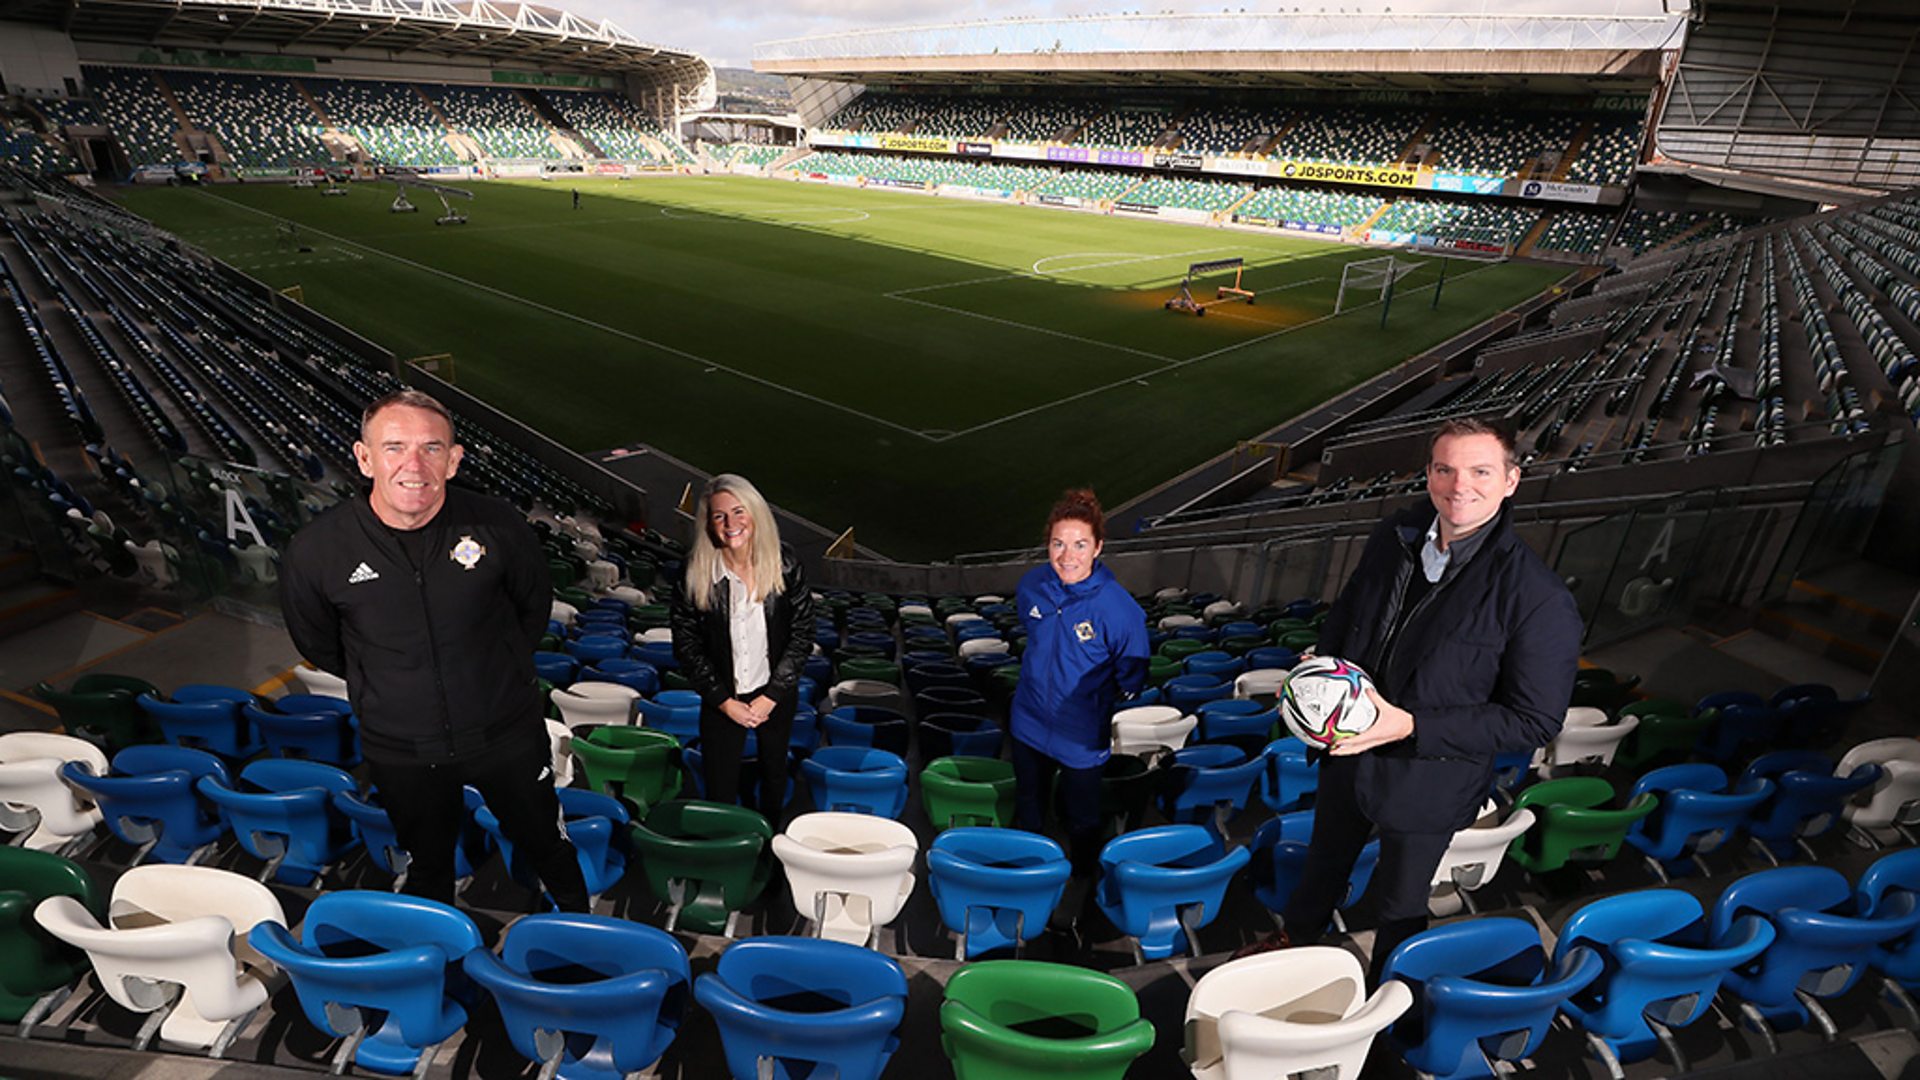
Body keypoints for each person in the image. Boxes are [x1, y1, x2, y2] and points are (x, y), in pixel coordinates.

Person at [1246, 417, 1582, 979]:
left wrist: (1411, 726)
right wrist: (1326, 662)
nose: (1459, 485)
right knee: (1323, 866)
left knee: (1399, 909)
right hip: (1350, 756)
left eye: (1480, 471)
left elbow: (1534, 720)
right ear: (1428, 474)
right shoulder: (1394, 535)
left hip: (1430, 779)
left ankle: (1386, 1003)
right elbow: (1352, 608)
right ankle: (1295, 939)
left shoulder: (1537, 597)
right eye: (1445, 469)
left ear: (1511, 481)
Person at [279, 389, 589, 911]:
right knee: (428, 864)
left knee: (549, 845)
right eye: (395, 447)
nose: (413, 465)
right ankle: (436, 965)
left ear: (454, 459)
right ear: (364, 457)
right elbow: (322, 644)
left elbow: (530, 613)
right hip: (402, 749)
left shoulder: (500, 525)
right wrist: (396, 685)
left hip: (507, 735)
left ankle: (582, 936)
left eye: (431, 448)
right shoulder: (317, 550)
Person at [1009, 489, 1150, 914]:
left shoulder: (1119, 609)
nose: (1067, 555)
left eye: (1080, 544)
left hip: (1081, 735)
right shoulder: (1031, 585)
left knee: (1082, 818)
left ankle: (1081, 881)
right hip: (1028, 721)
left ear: (1099, 547)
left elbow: (1132, 677)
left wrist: (1093, 702)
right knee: (1028, 807)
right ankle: (1024, 877)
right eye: (1058, 543)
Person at [670, 474, 814, 824]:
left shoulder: (785, 563)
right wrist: (725, 702)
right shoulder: (694, 572)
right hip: (722, 702)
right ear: (708, 522)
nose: (730, 524)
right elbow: (687, 646)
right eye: (719, 516)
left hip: (774, 698)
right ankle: (726, 855)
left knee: (775, 778)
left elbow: (802, 635)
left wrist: (771, 696)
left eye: (738, 512)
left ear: (755, 514)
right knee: (720, 788)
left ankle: (768, 854)